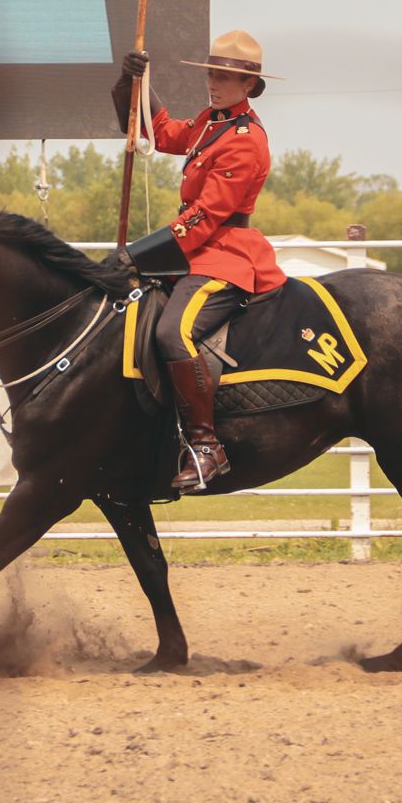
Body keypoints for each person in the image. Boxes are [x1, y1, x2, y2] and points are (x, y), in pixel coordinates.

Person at [113, 30, 286, 492]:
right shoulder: (214, 122)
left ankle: (208, 447)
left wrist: (138, 254)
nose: (214, 82)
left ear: (248, 85)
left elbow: (206, 217)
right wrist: (135, 86)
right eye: (212, 73)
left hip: (225, 256)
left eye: (224, 77)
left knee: (174, 331)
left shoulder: (247, 140)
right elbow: (165, 132)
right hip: (195, 252)